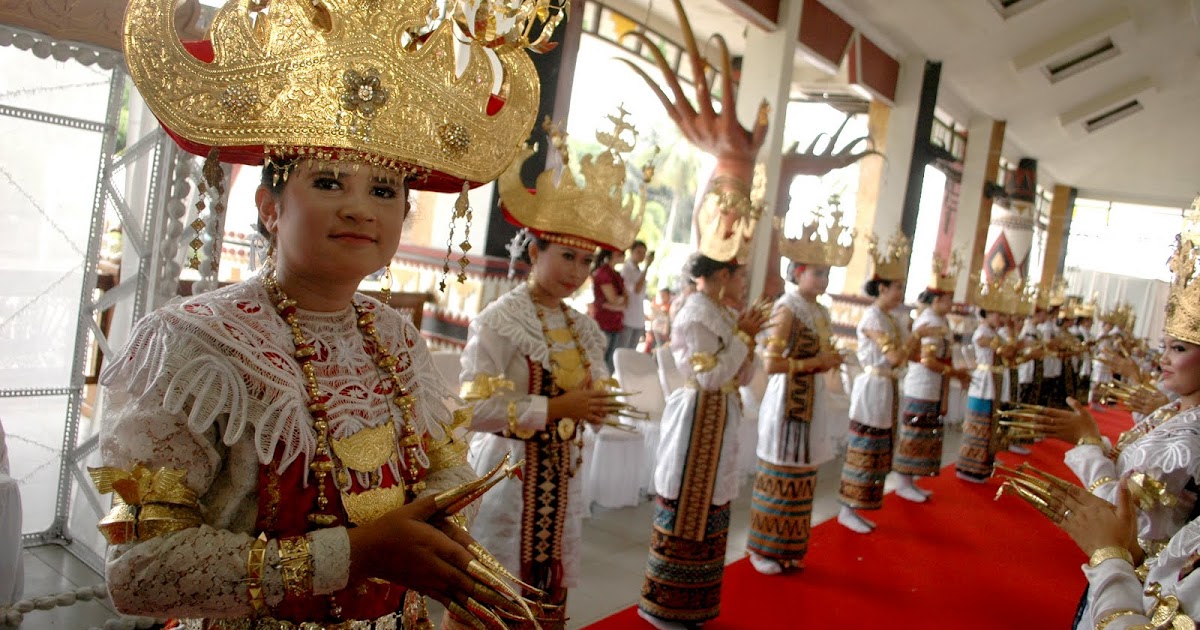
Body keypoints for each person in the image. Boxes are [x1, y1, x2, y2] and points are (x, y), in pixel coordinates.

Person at [93, 0, 556, 627]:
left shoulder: (394, 336)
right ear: (268, 207)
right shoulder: (193, 344)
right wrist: (358, 553)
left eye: (385, 190)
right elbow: (140, 572)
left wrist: (443, 520)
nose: (362, 210)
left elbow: (444, 461)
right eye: (330, 182)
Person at [459, 116, 646, 628]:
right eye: (566, 256)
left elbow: (595, 396)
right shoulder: (500, 321)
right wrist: (558, 408)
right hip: (508, 480)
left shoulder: (585, 331)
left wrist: (602, 408)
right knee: (495, 598)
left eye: (587, 262)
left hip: (562, 486)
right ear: (534, 251)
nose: (577, 273)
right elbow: (472, 410)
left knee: (548, 599)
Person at [1029, 233, 1200, 628]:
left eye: (1179, 349)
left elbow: (1117, 512)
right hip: (1133, 564)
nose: (1164, 358)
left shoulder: (1191, 438)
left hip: (1144, 576)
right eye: (1166, 345)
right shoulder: (1175, 410)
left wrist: (1089, 444)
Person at [638, 254, 765, 629]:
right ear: (721, 275)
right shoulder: (696, 313)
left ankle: (694, 603)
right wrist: (743, 337)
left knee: (712, 506)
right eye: (740, 276)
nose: (744, 284)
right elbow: (710, 378)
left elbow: (739, 376)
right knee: (687, 506)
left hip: (720, 415)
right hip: (698, 418)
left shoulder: (722, 312)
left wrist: (747, 339)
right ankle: (662, 604)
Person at [746, 213, 852, 575]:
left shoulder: (820, 310)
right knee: (779, 470)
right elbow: (772, 363)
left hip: (812, 399)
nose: (823, 279)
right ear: (798, 272)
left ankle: (789, 548)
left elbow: (819, 355)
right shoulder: (786, 307)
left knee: (803, 474)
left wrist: (828, 361)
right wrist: (814, 363)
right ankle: (763, 548)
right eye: (817, 272)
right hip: (788, 398)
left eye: (827, 273)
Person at [837, 232, 918, 534]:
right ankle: (848, 506)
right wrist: (913, 340)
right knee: (865, 446)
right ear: (881, 287)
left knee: (879, 449)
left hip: (888, 388)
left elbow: (905, 353)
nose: (900, 293)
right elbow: (897, 356)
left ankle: (861, 505)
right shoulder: (873, 318)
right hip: (873, 387)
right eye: (896, 287)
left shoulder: (892, 319)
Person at [894, 257, 971, 501]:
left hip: (934, 386)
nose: (950, 303)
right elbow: (928, 360)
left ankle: (912, 479)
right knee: (915, 432)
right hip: (922, 385)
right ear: (936, 300)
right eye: (947, 299)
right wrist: (954, 373)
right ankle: (903, 481)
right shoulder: (928, 321)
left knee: (926, 432)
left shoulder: (942, 321)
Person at [955, 276, 1024, 483]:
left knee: (990, 423)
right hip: (984, 381)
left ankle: (986, 461)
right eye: (999, 313)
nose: (1002, 318)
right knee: (979, 424)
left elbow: (1010, 354)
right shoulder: (982, 333)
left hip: (995, 379)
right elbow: (1007, 350)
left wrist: (1012, 335)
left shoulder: (994, 333)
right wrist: (1012, 334)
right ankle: (970, 467)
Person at [591, 249, 627, 372]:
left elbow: (625, 301)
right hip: (604, 323)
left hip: (616, 323)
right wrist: (617, 303)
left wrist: (615, 304)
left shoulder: (616, 274)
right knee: (599, 361)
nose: (624, 255)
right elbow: (614, 299)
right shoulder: (603, 273)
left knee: (610, 363)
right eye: (621, 252)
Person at [620, 241, 655, 351]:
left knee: (631, 353)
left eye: (644, 253)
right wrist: (647, 267)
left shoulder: (638, 270)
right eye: (639, 252)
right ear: (631, 252)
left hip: (638, 318)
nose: (642, 255)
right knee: (623, 353)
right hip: (627, 318)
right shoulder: (626, 269)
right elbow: (636, 289)